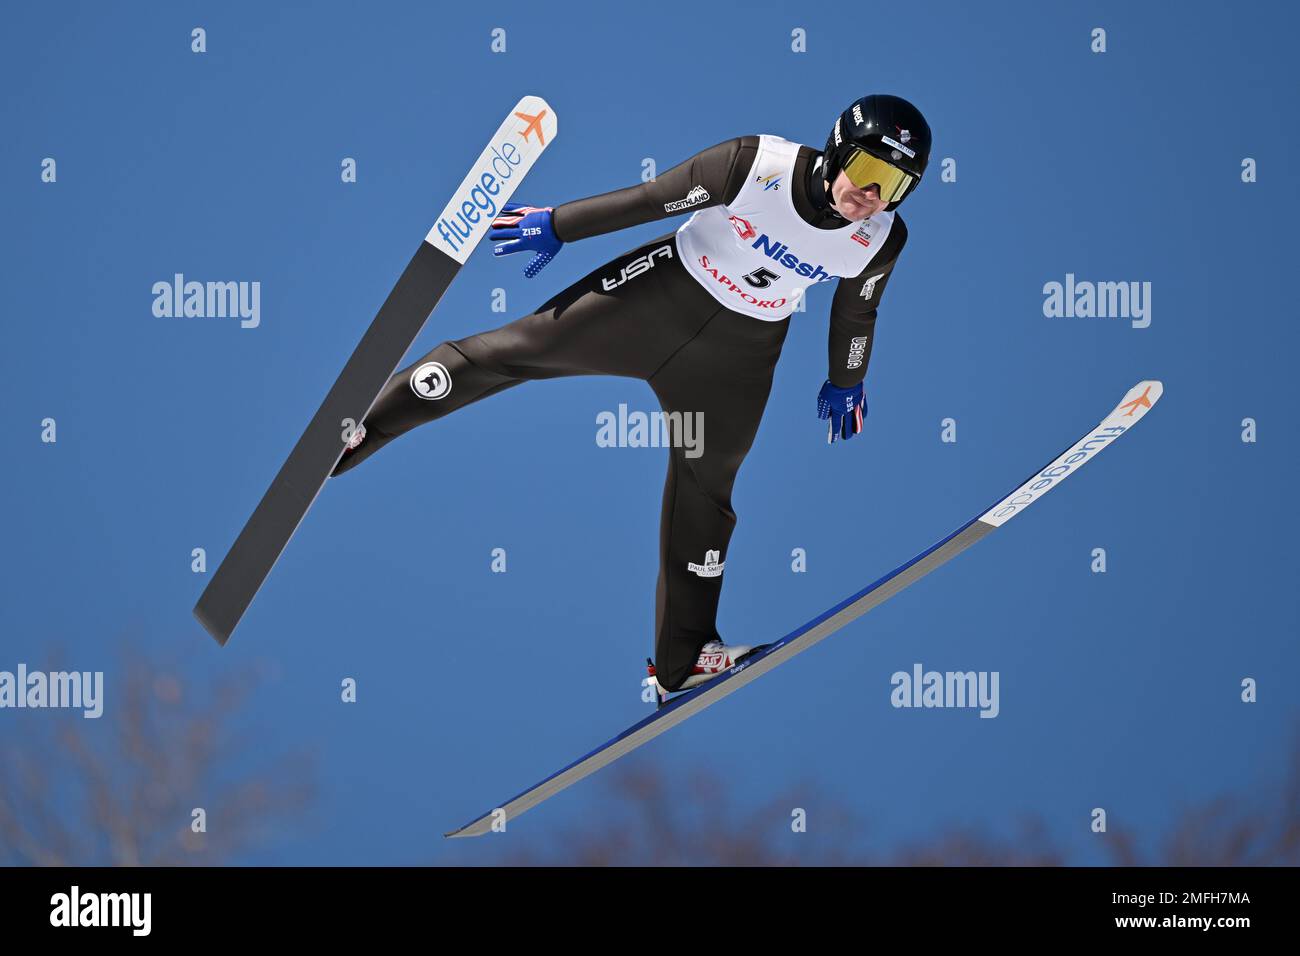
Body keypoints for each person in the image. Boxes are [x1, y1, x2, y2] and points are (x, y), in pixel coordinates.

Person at [332, 94, 932, 695]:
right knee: (515, 351)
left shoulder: (881, 237)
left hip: (737, 362)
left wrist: (846, 381)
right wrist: (557, 225)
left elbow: (858, 314)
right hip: (653, 302)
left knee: (708, 493)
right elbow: (650, 200)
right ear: (838, 150)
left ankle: (685, 657)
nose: (873, 196)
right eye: (870, 172)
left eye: (895, 185)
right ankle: (361, 430)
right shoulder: (756, 165)